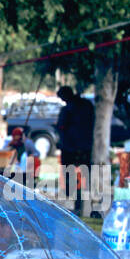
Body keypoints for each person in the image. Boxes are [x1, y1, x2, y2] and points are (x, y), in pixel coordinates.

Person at [55, 86, 95, 214]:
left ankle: (78, 203)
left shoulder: (67, 110)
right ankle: (82, 203)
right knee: (84, 176)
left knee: (72, 176)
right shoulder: (87, 105)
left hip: (71, 147)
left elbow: (61, 126)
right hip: (85, 146)